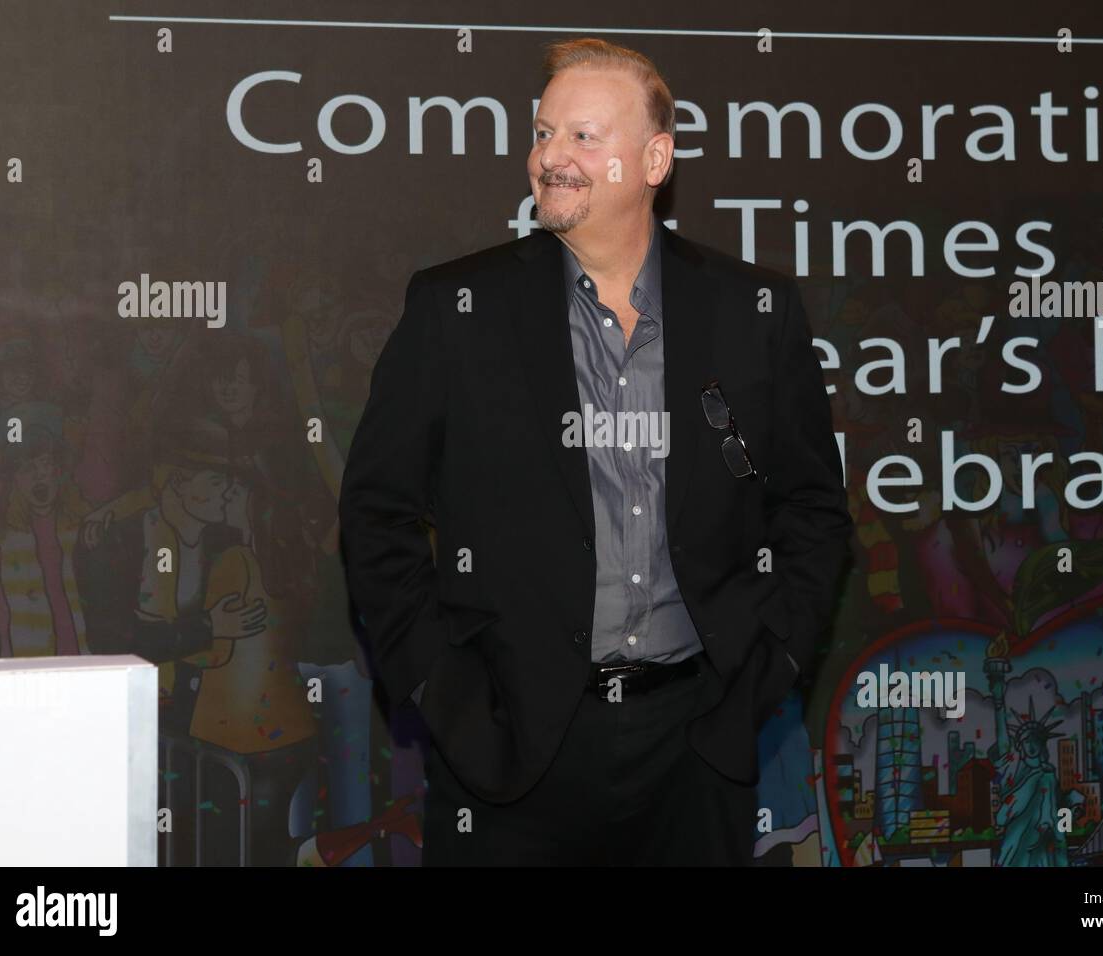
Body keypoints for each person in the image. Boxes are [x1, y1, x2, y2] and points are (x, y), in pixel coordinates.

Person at [339, 37, 852, 866]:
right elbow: (375, 514)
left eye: (584, 137)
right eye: (543, 134)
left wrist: (765, 671)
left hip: (698, 750)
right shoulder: (457, 310)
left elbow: (812, 512)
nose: (551, 158)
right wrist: (446, 689)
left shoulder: (751, 311)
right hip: (510, 754)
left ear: (654, 160)